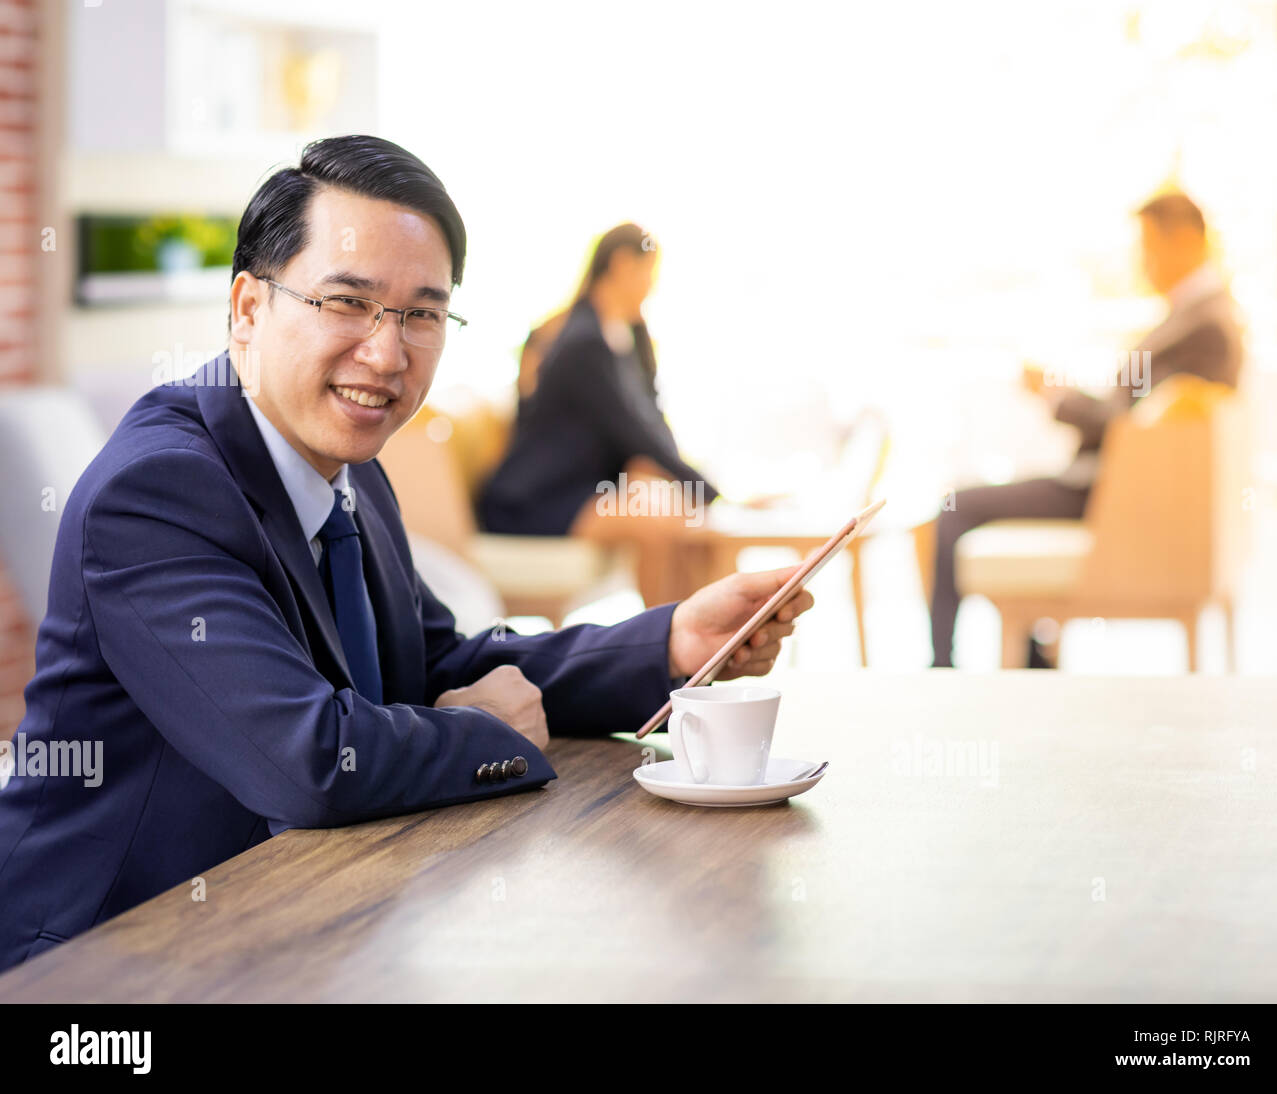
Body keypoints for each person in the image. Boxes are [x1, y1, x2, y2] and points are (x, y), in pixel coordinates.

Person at [0, 136, 812, 972]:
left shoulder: (349, 469)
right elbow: (307, 762)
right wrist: (481, 733)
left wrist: (671, 643)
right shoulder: (159, 492)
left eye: (422, 315)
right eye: (348, 302)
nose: (387, 355)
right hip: (105, 962)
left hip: (293, 923)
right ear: (247, 308)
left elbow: (431, 663)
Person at [930, 191, 1244, 668]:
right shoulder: (1205, 316)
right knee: (970, 500)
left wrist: (1056, 397)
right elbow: (1138, 415)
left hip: (1110, 490)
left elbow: (1125, 426)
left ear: (1183, 240)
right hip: (1119, 481)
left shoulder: (1204, 327)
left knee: (955, 506)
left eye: (1148, 247)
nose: (1142, 262)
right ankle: (1034, 664)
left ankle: (942, 669)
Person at [476, 223, 721, 540]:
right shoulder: (583, 342)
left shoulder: (625, 338)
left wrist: (701, 490)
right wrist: (710, 494)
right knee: (658, 525)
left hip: (582, 489)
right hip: (534, 499)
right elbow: (635, 432)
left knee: (679, 515)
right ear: (622, 264)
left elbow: (652, 416)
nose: (652, 287)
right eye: (650, 273)